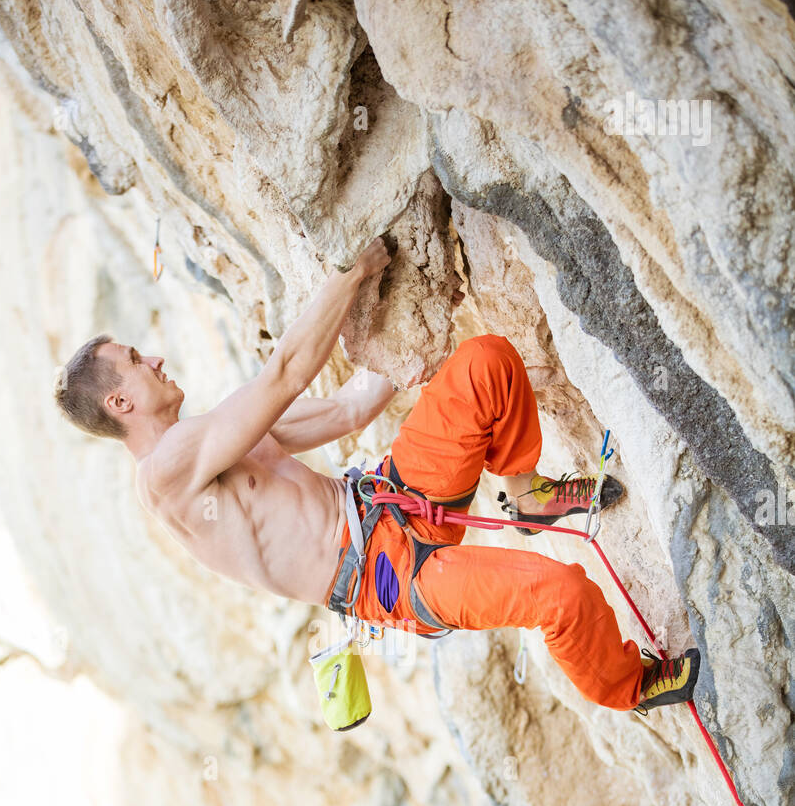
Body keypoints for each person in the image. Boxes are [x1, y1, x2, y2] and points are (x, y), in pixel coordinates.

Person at [53, 238, 698, 713]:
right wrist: (352, 270)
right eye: (136, 359)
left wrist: (424, 312)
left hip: (394, 496)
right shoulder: (165, 476)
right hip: (393, 579)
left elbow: (351, 407)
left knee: (485, 362)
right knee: (561, 594)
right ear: (121, 403)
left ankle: (528, 498)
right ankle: (631, 685)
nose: (156, 357)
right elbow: (286, 373)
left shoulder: (219, 437)